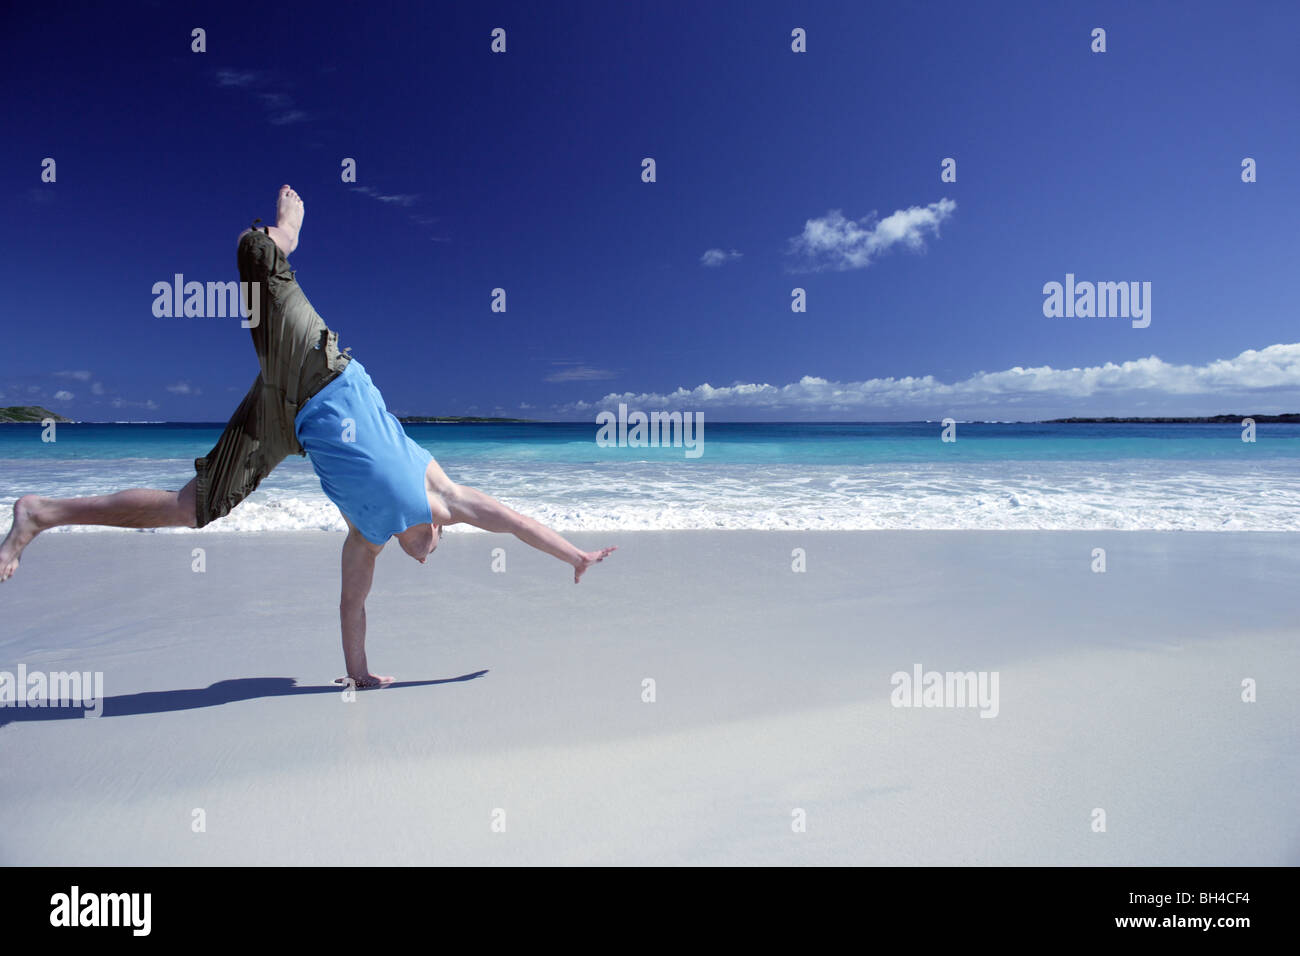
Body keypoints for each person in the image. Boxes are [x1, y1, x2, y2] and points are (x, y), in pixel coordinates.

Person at [0, 186, 616, 686]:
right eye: (439, 545)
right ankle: (289, 235)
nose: (436, 553)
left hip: (283, 423)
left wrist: (361, 675)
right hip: (316, 366)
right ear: (432, 531)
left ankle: (41, 512)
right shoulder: (443, 496)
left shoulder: (365, 540)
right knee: (254, 252)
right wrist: (575, 554)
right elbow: (510, 519)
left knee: (192, 509)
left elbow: (352, 608)